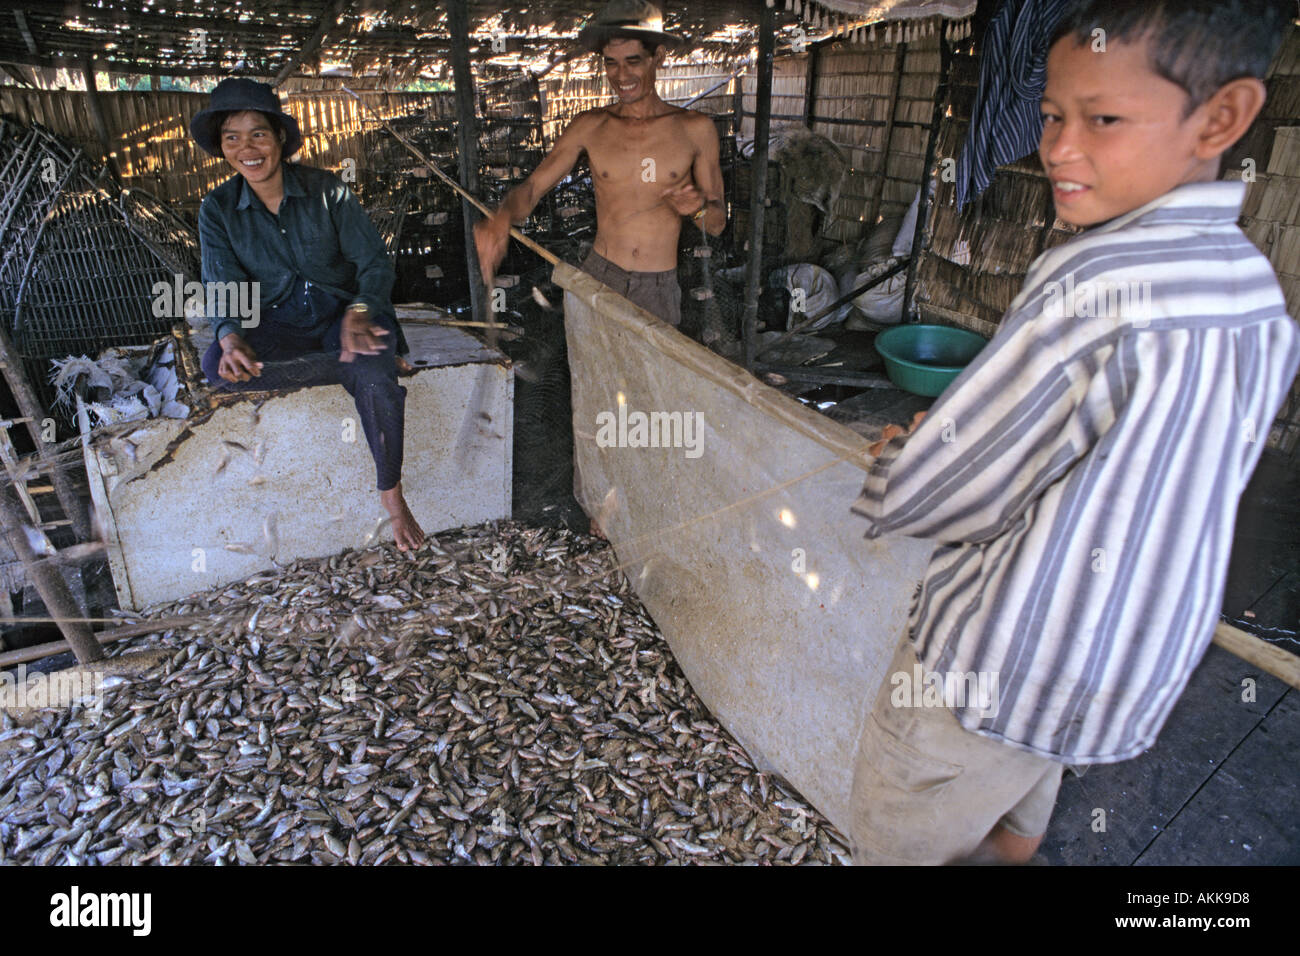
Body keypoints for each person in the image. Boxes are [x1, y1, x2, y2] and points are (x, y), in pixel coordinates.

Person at [849, 0, 1299, 865]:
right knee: (1022, 804)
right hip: (1118, 665)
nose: (1057, 146)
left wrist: (903, 456)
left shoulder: (1092, 277)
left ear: (1224, 117)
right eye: (1054, 115)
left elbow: (954, 488)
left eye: (1103, 118)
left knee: (903, 833)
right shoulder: (1251, 288)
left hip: (1000, 661)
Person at [190, 78, 424, 552]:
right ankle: (353, 365)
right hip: (277, 324)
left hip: (342, 320)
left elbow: (374, 264)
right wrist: (232, 336)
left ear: (279, 138)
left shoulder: (327, 191)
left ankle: (392, 494)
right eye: (232, 138)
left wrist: (360, 310)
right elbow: (223, 282)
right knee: (218, 366)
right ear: (221, 148)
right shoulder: (217, 209)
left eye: (257, 133)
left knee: (376, 376)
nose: (246, 148)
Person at [473, 0, 726, 327]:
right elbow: (534, 187)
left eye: (633, 61)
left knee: (648, 378)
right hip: (599, 277)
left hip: (656, 287)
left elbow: (717, 223)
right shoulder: (590, 126)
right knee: (592, 377)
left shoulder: (695, 129)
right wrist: (502, 217)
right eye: (611, 63)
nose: (621, 76)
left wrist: (697, 209)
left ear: (658, 57)